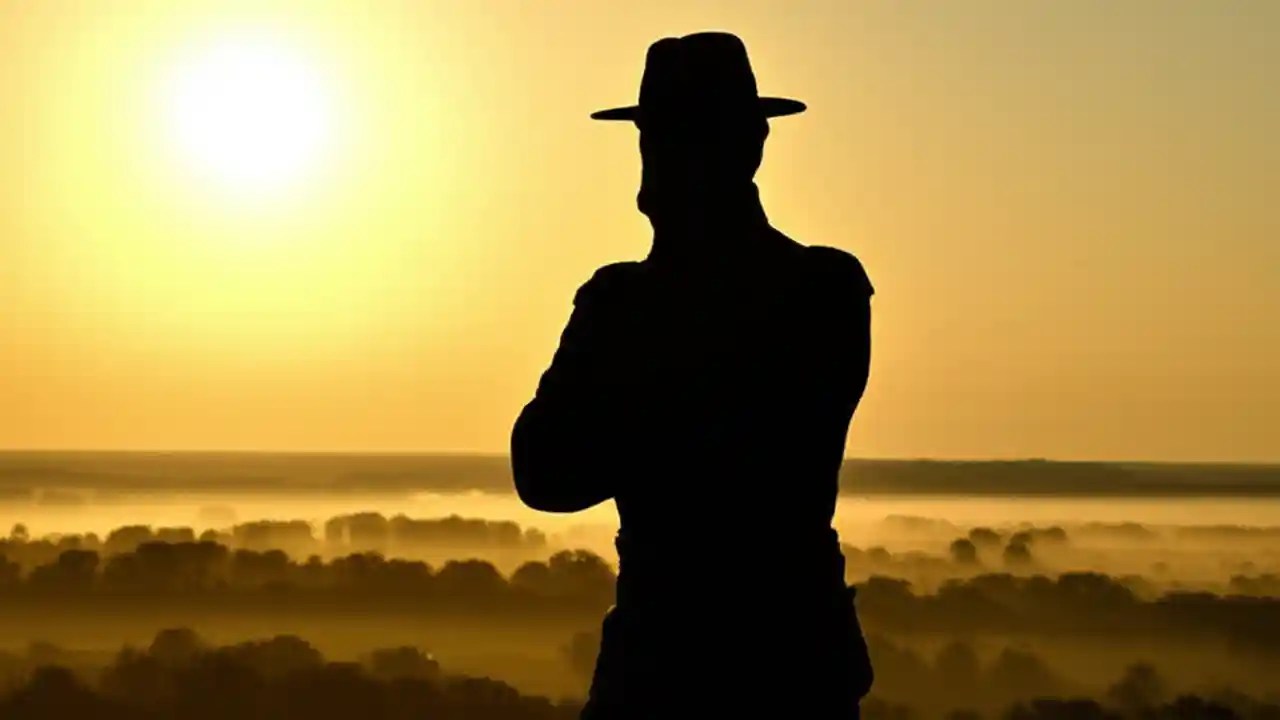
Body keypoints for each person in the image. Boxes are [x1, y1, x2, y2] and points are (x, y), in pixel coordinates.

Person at [511, 31, 875, 719]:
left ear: (748, 146)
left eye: (677, 138)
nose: (658, 160)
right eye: (655, 139)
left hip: (701, 673)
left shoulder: (813, 291)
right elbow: (542, 473)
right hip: (773, 669)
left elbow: (555, 468)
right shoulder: (818, 291)